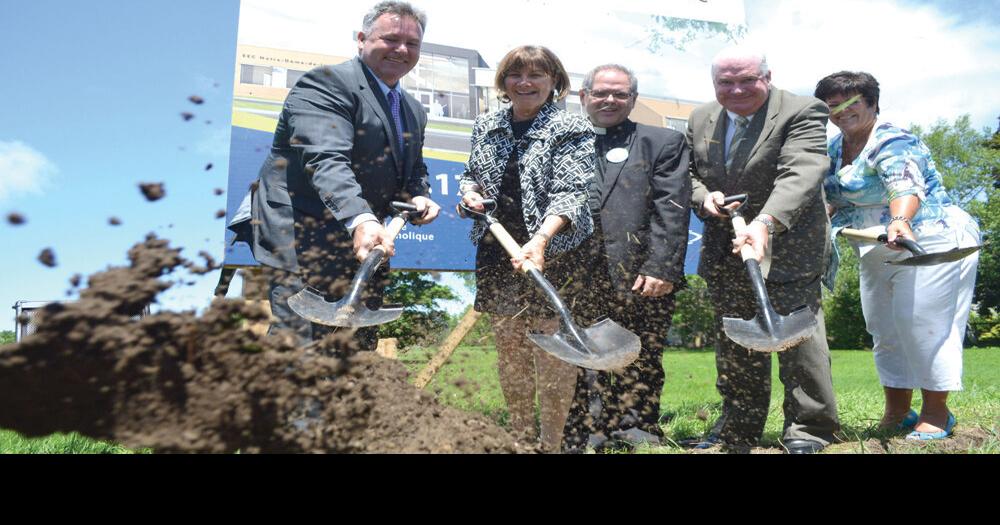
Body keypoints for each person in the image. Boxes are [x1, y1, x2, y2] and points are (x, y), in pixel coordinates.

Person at [230, 1, 441, 351]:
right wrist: (359, 219)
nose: (402, 50)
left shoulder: (413, 110)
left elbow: (413, 168)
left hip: (363, 238)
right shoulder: (325, 85)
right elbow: (326, 159)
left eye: (412, 44)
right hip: (300, 227)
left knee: (353, 345)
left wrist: (418, 193)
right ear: (361, 39)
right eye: (390, 39)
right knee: (301, 340)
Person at [686, 46, 840, 453]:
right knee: (736, 343)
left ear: (767, 77)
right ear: (714, 83)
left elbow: (802, 171)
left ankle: (810, 428)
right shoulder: (701, 117)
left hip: (789, 243)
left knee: (799, 341)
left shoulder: (802, 110)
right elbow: (686, 172)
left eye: (747, 80)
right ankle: (739, 427)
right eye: (725, 82)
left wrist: (766, 223)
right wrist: (704, 196)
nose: (736, 89)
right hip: (727, 246)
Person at [814, 71, 980, 440]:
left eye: (851, 102)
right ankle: (899, 411)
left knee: (922, 323)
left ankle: (938, 413)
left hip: (930, 239)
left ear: (872, 102)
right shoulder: (834, 149)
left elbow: (903, 183)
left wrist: (901, 219)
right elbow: (828, 200)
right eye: (833, 106)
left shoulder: (892, 140)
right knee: (883, 326)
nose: (841, 111)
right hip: (875, 243)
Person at [459, 45, 594, 451]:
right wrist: (469, 194)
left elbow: (572, 193)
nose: (525, 82)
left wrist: (540, 241)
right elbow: (471, 175)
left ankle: (550, 444)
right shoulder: (487, 124)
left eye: (536, 75)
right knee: (511, 351)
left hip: (554, 251)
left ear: (554, 82)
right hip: (498, 249)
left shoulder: (571, 127)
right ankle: (520, 440)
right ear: (504, 81)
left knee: (551, 350)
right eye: (516, 74)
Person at [562, 64, 692, 450]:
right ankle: (588, 428)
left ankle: (636, 427)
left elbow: (672, 209)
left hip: (641, 274)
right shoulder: (564, 141)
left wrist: (661, 267)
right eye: (601, 92)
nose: (610, 100)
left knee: (642, 352)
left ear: (633, 100)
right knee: (584, 353)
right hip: (577, 273)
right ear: (584, 96)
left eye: (620, 94)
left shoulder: (663, 142)